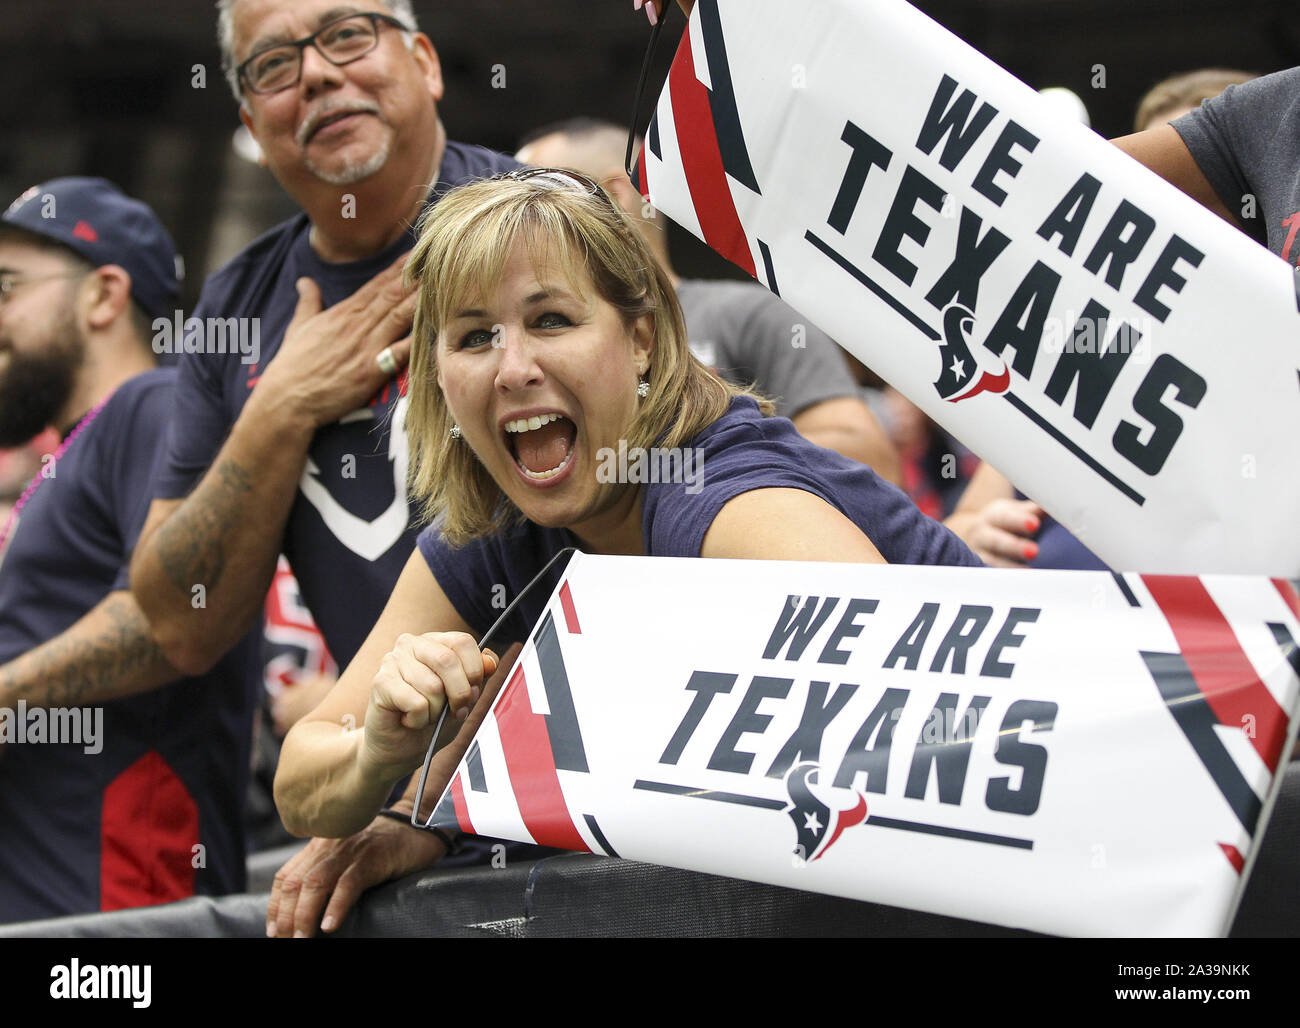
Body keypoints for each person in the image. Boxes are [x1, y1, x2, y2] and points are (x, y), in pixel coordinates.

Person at [273, 170, 982, 868]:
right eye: (474, 336)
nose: (512, 368)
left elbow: (922, 716)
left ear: (640, 338)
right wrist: (377, 755)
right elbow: (302, 781)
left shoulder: (720, 496)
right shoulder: (494, 532)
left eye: (551, 320)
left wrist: (474, 791)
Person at [125, 0, 520, 935]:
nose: (314, 75)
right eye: (271, 65)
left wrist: (432, 797)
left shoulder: (540, 223)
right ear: (250, 123)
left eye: (348, 35)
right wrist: (283, 407)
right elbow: (179, 620)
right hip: (387, 814)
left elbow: (652, 531)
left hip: (596, 819)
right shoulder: (238, 304)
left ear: (424, 62)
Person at [0, 177, 260, 922]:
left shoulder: (155, 405)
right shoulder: (78, 446)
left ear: (103, 295)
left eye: (7, 286)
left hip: (121, 904)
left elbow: (172, 619)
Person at [516, 118, 902, 483]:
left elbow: (870, 460)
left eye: (537, 195)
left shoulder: (748, 314)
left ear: (614, 195)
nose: (511, 220)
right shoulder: (514, 351)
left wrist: (663, 467)